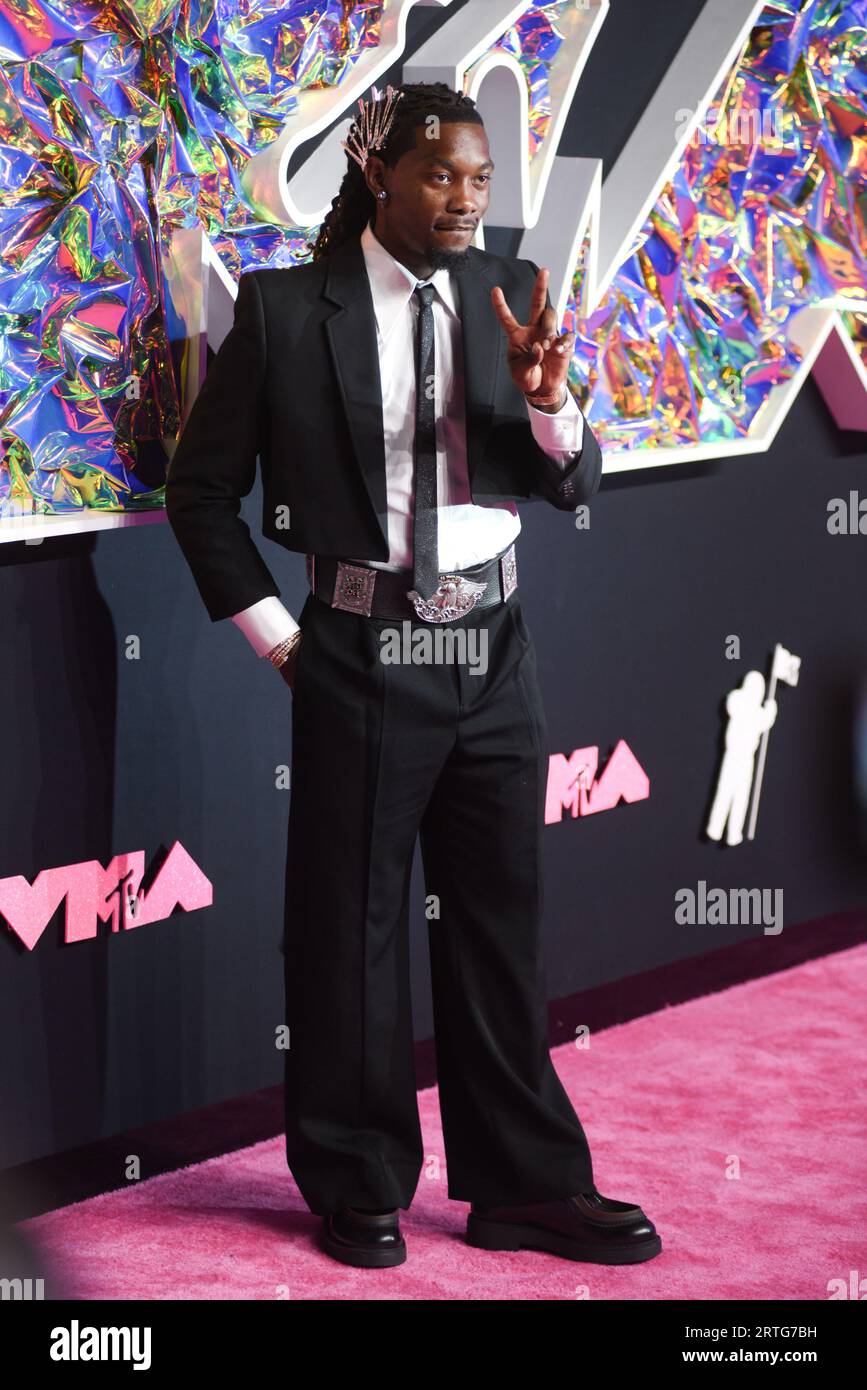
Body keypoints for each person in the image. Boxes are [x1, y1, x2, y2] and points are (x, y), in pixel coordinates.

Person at [166, 80, 661, 1270]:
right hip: (361, 647)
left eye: (481, 179)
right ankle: (358, 1177)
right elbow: (202, 494)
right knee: (351, 930)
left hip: (492, 649)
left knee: (500, 926)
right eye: (441, 174)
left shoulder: (512, 295)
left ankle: (526, 1188)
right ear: (379, 171)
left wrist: (553, 409)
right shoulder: (290, 312)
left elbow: (570, 483)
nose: (464, 197)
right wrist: (285, 640)